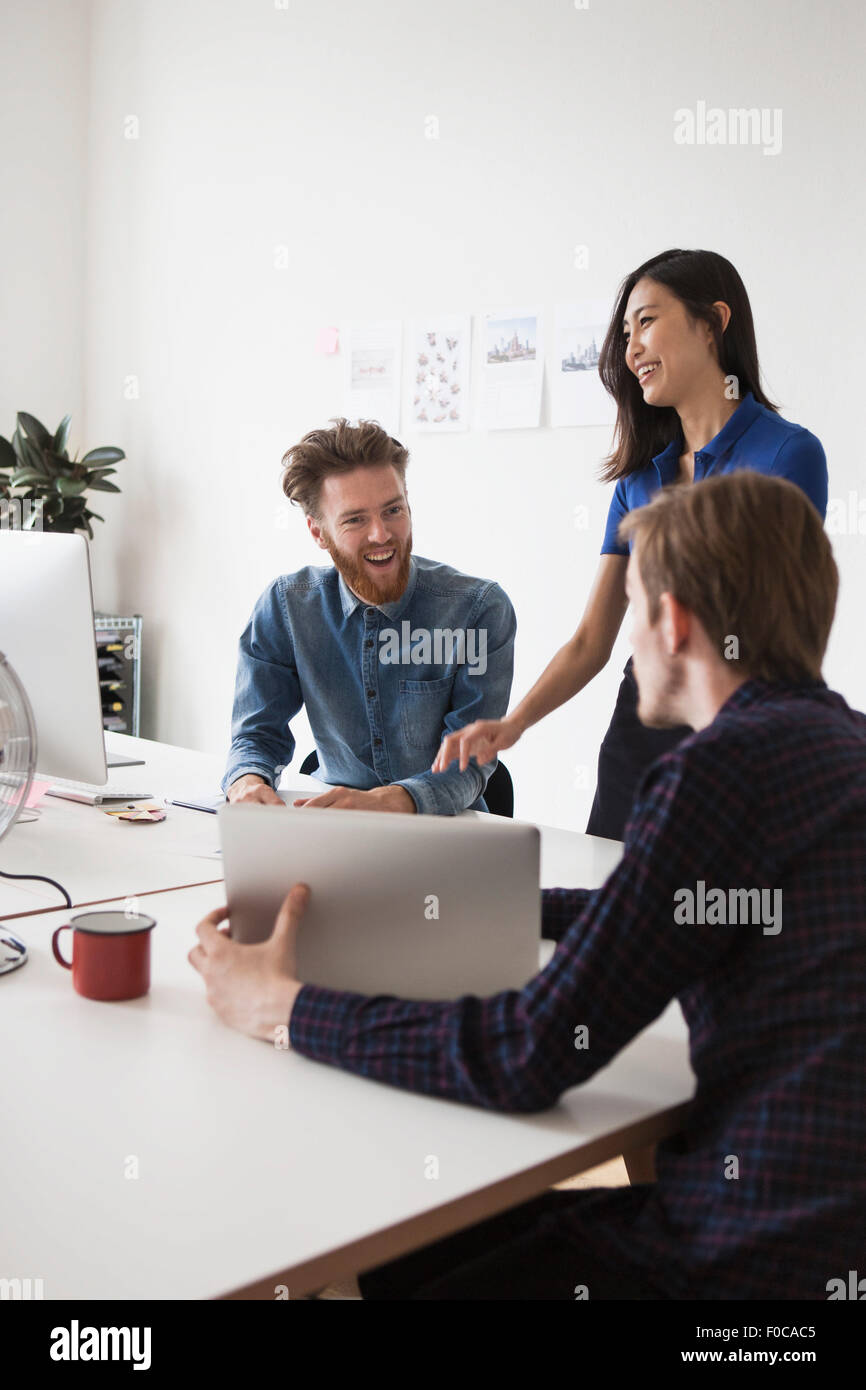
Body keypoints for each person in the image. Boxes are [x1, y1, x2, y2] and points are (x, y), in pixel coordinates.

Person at [192, 471, 866, 1300]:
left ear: (674, 621)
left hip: (743, 1261)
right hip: (818, 1232)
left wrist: (283, 1007)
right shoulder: (838, 748)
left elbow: (523, 1052)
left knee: (364, 1249)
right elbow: (654, 909)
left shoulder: (717, 774)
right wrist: (437, 897)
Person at [432, 249, 828, 841]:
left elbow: (788, 626)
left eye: (646, 321)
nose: (631, 348)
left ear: (713, 322)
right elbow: (593, 639)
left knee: (717, 915)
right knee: (614, 893)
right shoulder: (640, 479)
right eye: (625, 333)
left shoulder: (787, 454)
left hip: (741, 724)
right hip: (643, 718)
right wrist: (512, 724)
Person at [221, 418, 516, 814]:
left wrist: (381, 802)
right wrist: (248, 780)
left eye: (393, 510)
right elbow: (256, 735)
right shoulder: (286, 606)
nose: (381, 534)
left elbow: (470, 764)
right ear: (318, 532)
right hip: (334, 831)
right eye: (355, 519)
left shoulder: (478, 610)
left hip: (447, 836)